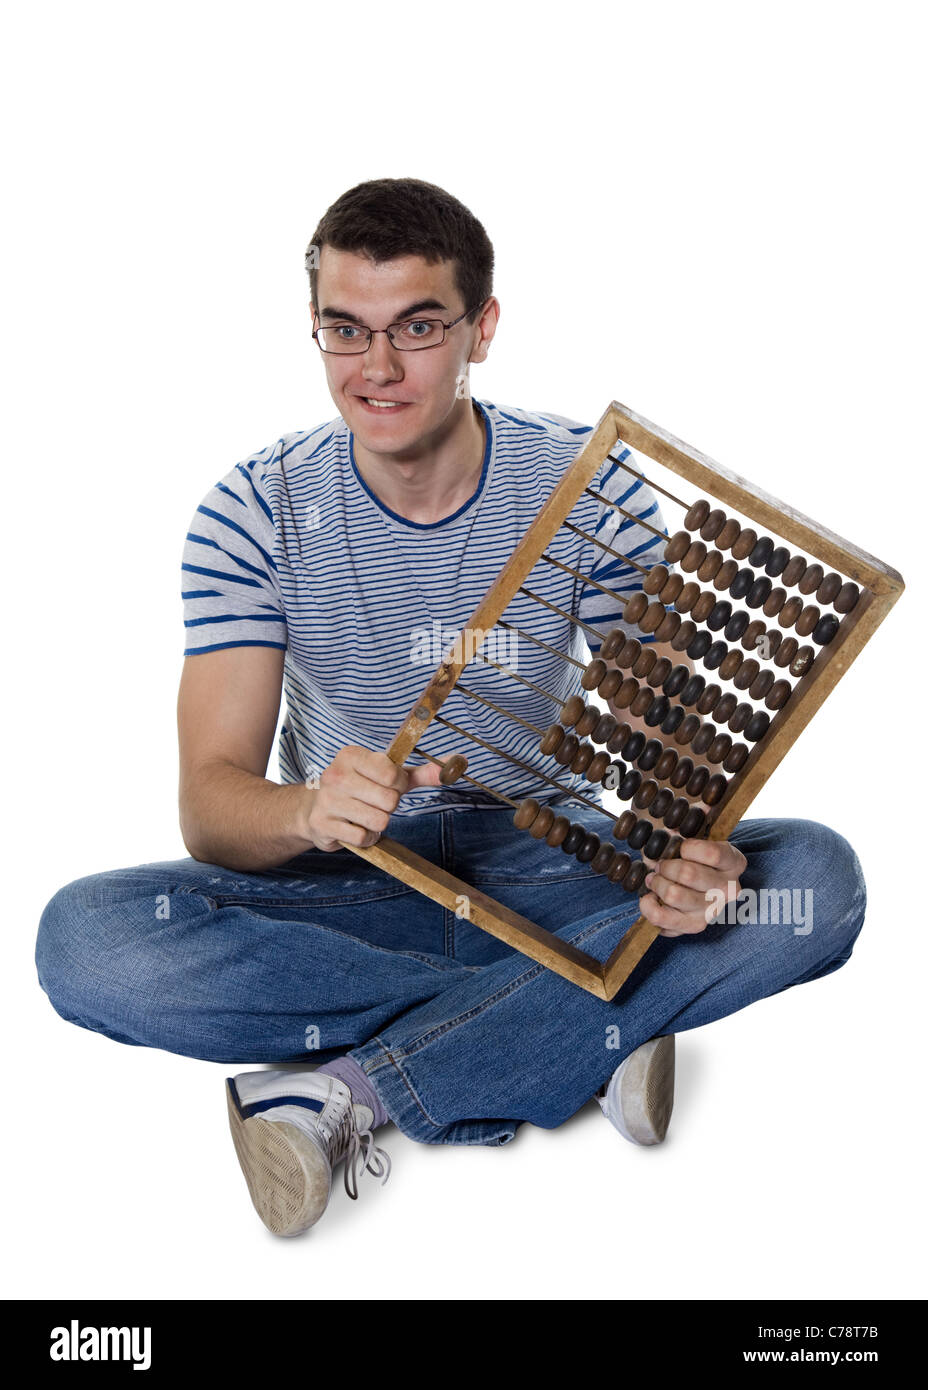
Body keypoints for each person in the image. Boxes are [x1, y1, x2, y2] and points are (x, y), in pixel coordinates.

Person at [35, 178, 867, 1239]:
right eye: (345, 329)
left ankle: (352, 1092)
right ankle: (589, 1019)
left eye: (417, 327)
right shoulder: (250, 509)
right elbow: (210, 806)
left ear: (482, 328)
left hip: (550, 860)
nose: (375, 368)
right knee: (85, 939)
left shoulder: (586, 482)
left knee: (813, 880)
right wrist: (304, 812)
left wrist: (677, 853)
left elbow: (658, 743)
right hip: (353, 880)